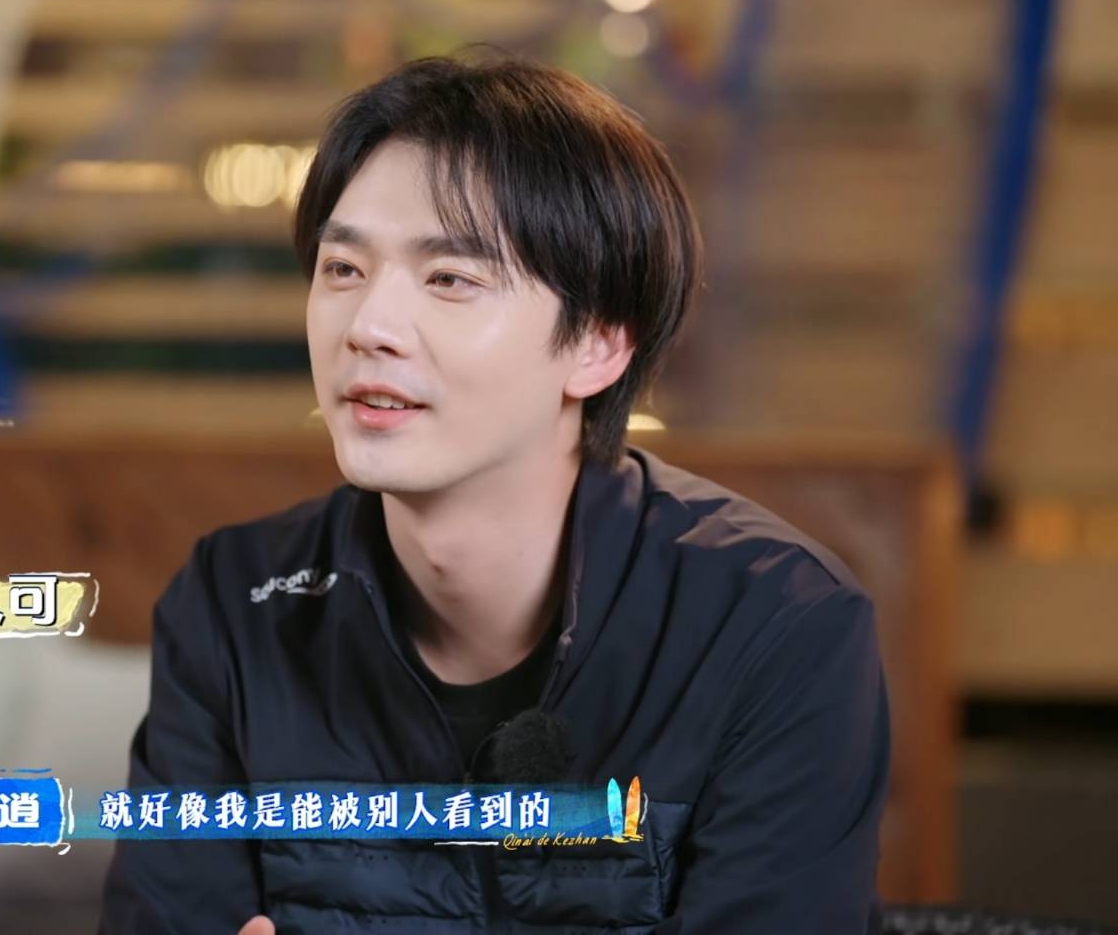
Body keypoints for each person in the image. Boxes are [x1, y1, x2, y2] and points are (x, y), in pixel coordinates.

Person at [99, 53, 889, 934]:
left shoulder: (775, 627)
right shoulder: (234, 605)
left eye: (451, 279)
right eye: (343, 269)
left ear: (599, 343)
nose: (368, 328)